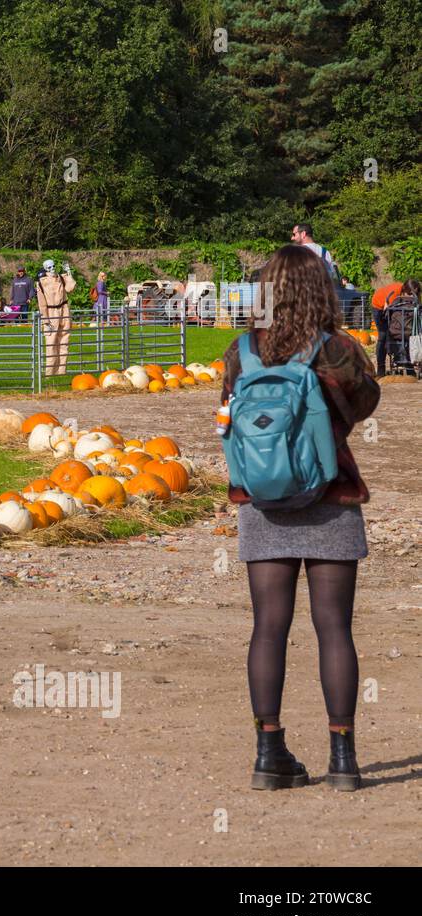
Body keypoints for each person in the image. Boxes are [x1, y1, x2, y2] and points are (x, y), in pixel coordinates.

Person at [220, 244, 380, 792]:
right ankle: (343, 759)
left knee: (268, 627)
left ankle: (269, 753)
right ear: (322, 288)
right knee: (334, 627)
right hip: (330, 497)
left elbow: (228, 418)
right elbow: (364, 405)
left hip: (263, 504)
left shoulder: (241, 351)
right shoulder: (336, 349)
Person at [35, 259, 76, 375]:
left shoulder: (62, 278)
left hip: (64, 311)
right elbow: (42, 304)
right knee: (51, 343)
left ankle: (61, 372)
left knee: (64, 341)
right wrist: (45, 321)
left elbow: (70, 288)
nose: (52, 269)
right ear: (45, 269)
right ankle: (50, 373)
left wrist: (69, 272)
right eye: (49, 267)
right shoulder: (41, 282)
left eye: (53, 266)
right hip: (51, 312)